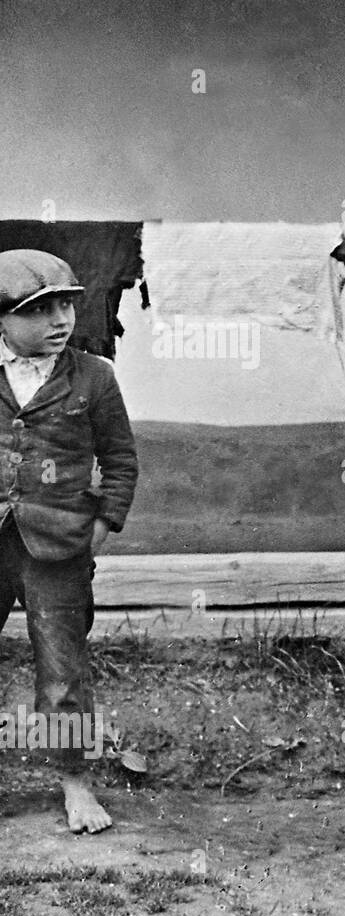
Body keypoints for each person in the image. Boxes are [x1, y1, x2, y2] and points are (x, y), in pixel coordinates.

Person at [0, 249, 138, 833]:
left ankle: (76, 784)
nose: (60, 320)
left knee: (63, 669)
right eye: (41, 310)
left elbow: (122, 460)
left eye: (66, 306)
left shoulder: (94, 376)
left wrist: (101, 526)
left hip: (58, 547)